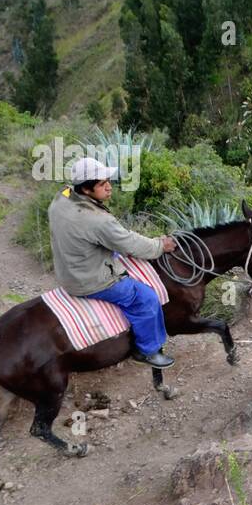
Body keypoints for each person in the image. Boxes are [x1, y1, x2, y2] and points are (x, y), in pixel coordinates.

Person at [48, 157, 178, 368]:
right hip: (90, 281)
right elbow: (131, 244)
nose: (109, 187)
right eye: (101, 184)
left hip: (69, 268)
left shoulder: (61, 198)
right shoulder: (97, 221)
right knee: (145, 299)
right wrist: (160, 246)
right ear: (86, 190)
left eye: (108, 180)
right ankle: (149, 351)